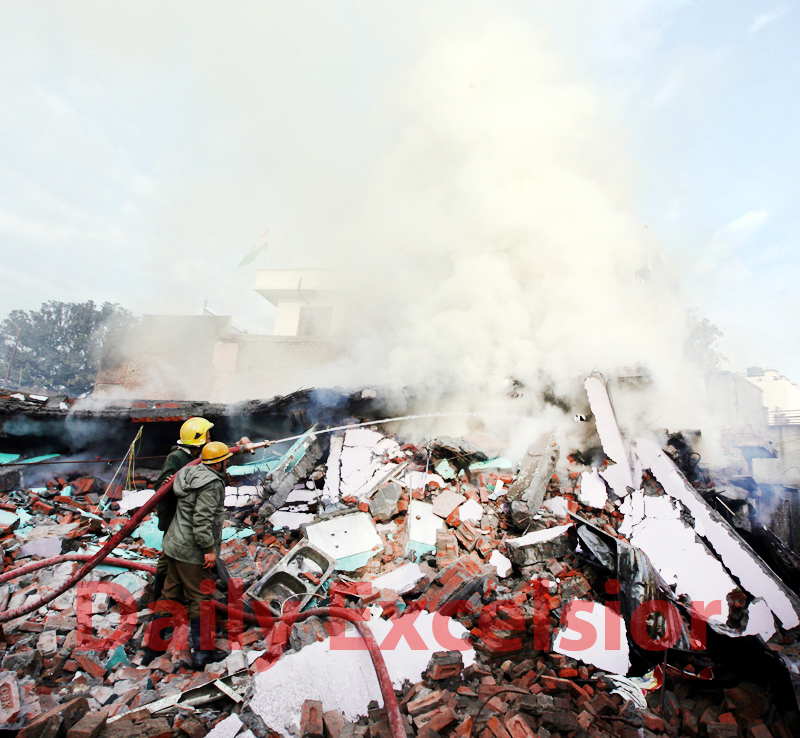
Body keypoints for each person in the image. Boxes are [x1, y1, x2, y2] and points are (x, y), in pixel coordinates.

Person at [147, 441, 234, 669]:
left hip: (173, 545)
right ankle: (204, 653)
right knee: (201, 598)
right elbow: (202, 520)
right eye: (226, 460)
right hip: (191, 551)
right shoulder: (212, 484)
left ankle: (152, 649)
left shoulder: (188, 472)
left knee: (169, 594)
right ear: (220, 463)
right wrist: (208, 550)